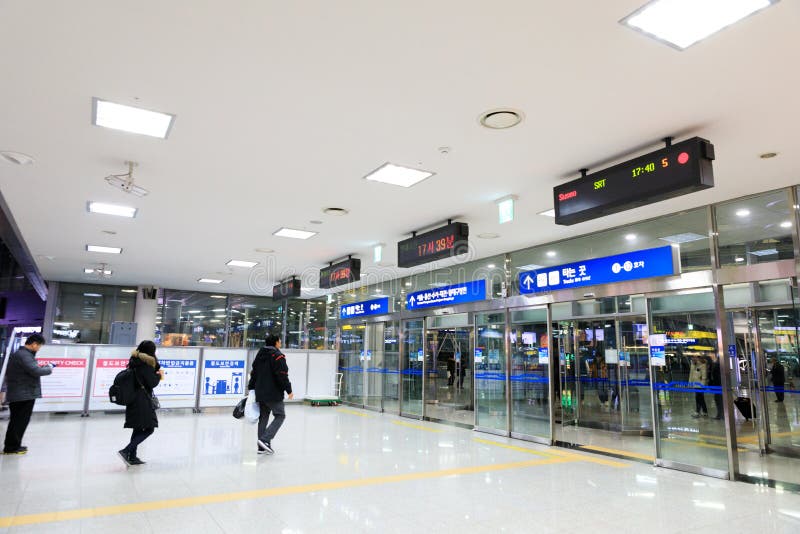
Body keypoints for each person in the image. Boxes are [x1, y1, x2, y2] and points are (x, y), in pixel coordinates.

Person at [3, 333, 54, 454]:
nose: (39, 348)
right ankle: (11, 447)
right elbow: (36, 370)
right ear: (34, 344)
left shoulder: (23, 355)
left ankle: (13, 445)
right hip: (23, 394)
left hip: (22, 393)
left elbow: (30, 369)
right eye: (39, 346)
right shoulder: (24, 355)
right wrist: (50, 367)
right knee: (19, 421)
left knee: (18, 420)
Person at [118, 340, 163, 466]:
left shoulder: (134, 362)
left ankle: (132, 456)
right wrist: (158, 376)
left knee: (138, 428)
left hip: (134, 399)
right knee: (150, 428)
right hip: (142, 401)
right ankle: (126, 451)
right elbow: (152, 382)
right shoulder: (145, 365)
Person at [248, 334, 293, 455]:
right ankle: (265, 440)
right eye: (279, 341)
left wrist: (251, 388)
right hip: (273, 393)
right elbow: (282, 375)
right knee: (280, 415)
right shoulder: (278, 356)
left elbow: (253, 374)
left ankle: (261, 448)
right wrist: (289, 390)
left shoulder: (259, 356)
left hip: (260, 392)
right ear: (276, 343)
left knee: (264, 417)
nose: (280, 343)